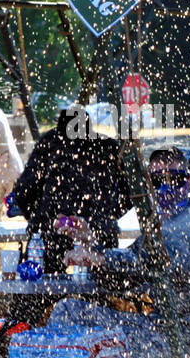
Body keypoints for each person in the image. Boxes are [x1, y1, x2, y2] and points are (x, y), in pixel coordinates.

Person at [53, 147, 190, 358]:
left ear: (188, 181)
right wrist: (90, 242)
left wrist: (97, 258)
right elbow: (122, 281)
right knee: (68, 310)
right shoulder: (160, 225)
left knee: (86, 334)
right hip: (163, 330)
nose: (165, 188)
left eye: (174, 180)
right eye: (157, 181)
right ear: (148, 185)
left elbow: (151, 262)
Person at [11, 108, 132, 272]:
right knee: (99, 286)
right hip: (99, 230)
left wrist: (38, 216)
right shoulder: (108, 146)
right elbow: (131, 192)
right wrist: (109, 214)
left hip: (53, 228)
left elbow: (24, 190)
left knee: (45, 288)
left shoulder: (50, 143)